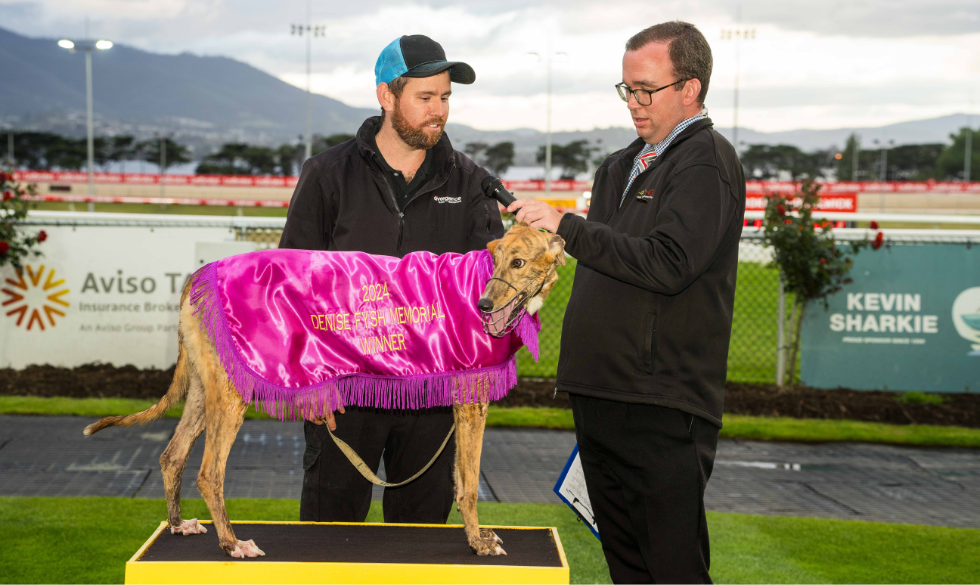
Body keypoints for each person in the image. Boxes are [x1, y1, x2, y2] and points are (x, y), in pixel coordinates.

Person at [510, 21, 745, 584]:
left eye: (646, 89)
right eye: (627, 90)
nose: (634, 104)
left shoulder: (705, 161)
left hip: (660, 403)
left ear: (690, 88)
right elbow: (614, 259)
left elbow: (667, 263)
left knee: (672, 569)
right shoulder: (619, 165)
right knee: (628, 567)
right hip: (601, 391)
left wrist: (572, 225)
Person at [278, 34, 504, 524]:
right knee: (327, 548)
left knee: (420, 549)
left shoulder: (472, 183)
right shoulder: (326, 174)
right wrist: (306, 381)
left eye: (445, 97)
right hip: (345, 393)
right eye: (425, 98)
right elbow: (293, 284)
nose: (438, 110)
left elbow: (487, 292)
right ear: (386, 95)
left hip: (433, 397)